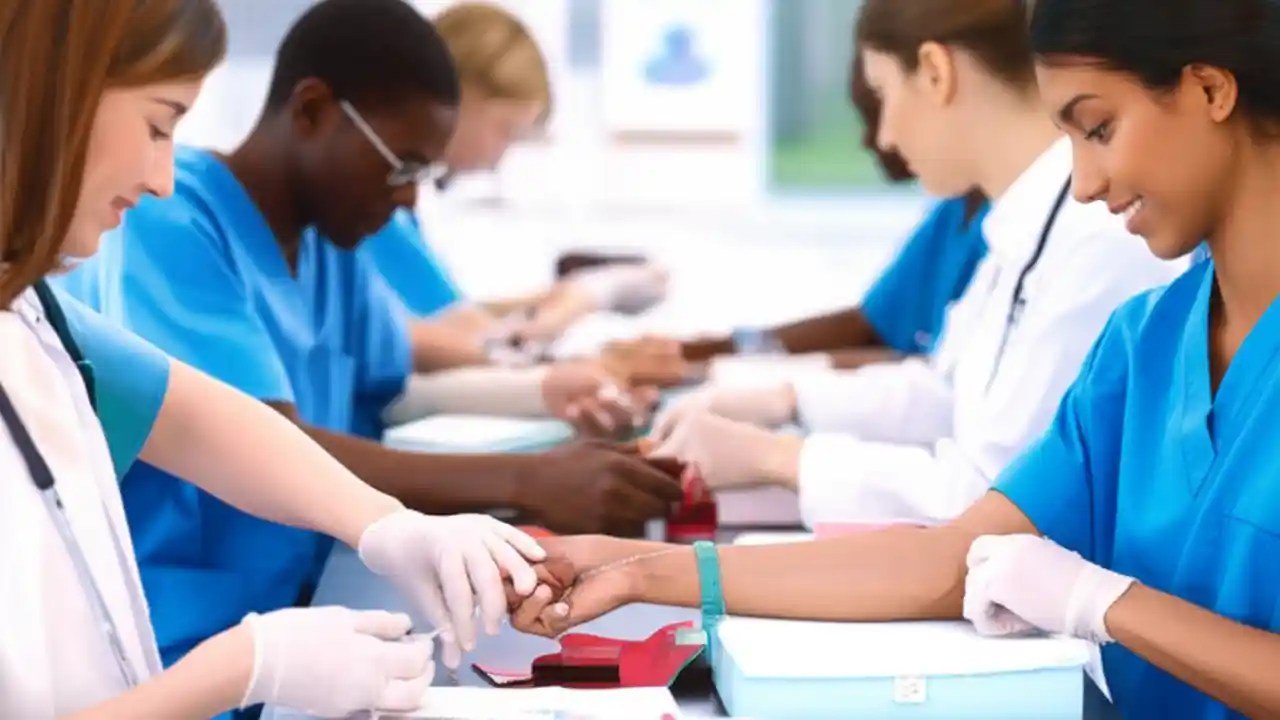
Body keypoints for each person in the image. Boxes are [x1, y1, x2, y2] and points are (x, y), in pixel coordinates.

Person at [510, 0, 1280, 717]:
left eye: (1099, 128)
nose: (1083, 184)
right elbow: (953, 558)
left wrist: (1103, 603)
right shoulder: (1145, 342)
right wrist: (643, 571)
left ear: (1210, 89)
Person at [54, 0, 682, 673]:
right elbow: (260, 434)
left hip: (308, 605)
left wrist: (548, 408)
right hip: (191, 640)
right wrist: (525, 478)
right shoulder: (175, 223)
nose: (410, 202)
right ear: (314, 111)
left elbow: (397, 387)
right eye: (403, 168)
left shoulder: (332, 245)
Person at [0, 1, 545, 717]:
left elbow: (196, 416)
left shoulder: (32, 315)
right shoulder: (173, 225)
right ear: (47, 94)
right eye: (158, 123)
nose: (163, 175)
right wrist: (242, 670)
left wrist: (386, 526)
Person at [644, 0, 1183, 528]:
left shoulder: (1096, 237)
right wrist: (778, 400)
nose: (884, 138)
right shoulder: (1020, 229)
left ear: (934, 71)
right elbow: (945, 397)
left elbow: (997, 498)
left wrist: (778, 457)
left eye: (881, 94)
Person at [603, 53, 988, 386]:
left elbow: (932, 378)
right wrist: (705, 350)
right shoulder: (956, 210)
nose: (876, 139)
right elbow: (871, 323)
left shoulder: (1005, 224)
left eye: (877, 108)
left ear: (940, 79)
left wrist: (715, 369)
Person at [358, 2, 669, 349]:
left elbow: (441, 313)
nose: (497, 160)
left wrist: (557, 299)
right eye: (505, 131)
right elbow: (467, 338)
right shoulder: (367, 192)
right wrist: (589, 297)